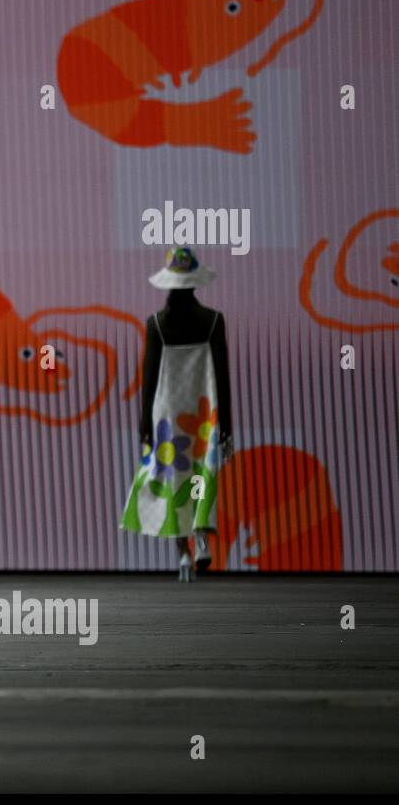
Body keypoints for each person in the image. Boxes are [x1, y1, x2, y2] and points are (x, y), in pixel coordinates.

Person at [121, 246, 234, 580]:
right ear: (195, 282)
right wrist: (226, 424)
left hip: (167, 416)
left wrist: (144, 425)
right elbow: (222, 375)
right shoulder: (213, 320)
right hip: (204, 414)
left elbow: (149, 377)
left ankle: (183, 555)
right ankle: (201, 536)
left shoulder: (156, 324)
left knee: (173, 481)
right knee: (202, 475)